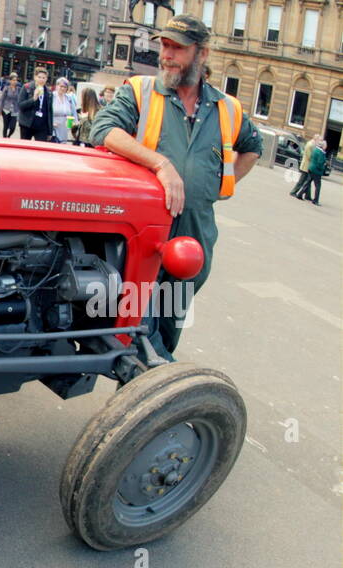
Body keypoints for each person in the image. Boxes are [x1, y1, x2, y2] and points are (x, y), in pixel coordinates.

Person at [89, 14, 262, 358]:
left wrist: (220, 185)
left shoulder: (227, 108)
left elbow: (253, 147)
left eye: (177, 48)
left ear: (202, 54)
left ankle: (156, 380)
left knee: (169, 322)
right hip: (146, 235)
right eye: (164, 46)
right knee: (142, 325)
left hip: (194, 238)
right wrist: (160, 164)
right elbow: (103, 129)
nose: (166, 55)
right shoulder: (141, 91)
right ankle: (159, 386)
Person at [17, 68, 54, 141]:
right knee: (25, 147)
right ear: (35, 77)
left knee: (40, 148)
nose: (41, 79)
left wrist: (50, 131)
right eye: (39, 77)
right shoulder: (27, 87)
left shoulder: (49, 92)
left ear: (46, 79)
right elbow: (21, 106)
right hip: (27, 124)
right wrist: (33, 99)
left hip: (42, 126)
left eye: (44, 78)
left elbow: (50, 112)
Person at [290, 135, 327, 205]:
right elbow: (309, 156)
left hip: (309, 166)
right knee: (302, 181)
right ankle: (293, 192)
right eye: (319, 140)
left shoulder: (313, 145)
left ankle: (307, 196)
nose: (320, 142)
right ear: (316, 139)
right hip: (306, 166)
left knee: (308, 181)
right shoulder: (310, 145)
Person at [50, 76, 78, 143]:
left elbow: (74, 112)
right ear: (56, 86)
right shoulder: (51, 96)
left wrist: (75, 123)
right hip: (53, 127)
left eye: (65, 87)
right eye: (61, 86)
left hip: (65, 128)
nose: (62, 88)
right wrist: (50, 123)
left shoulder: (69, 98)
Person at [0, 73, 22, 137]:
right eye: (13, 80)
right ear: (10, 81)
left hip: (15, 110)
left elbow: (20, 100)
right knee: (5, 126)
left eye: (16, 80)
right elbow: (2, 100)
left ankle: (8, 136)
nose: (15, 81)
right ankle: (4, 138)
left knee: (13, 127)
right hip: (6, 110)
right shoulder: (6, 88)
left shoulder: (19, 89)